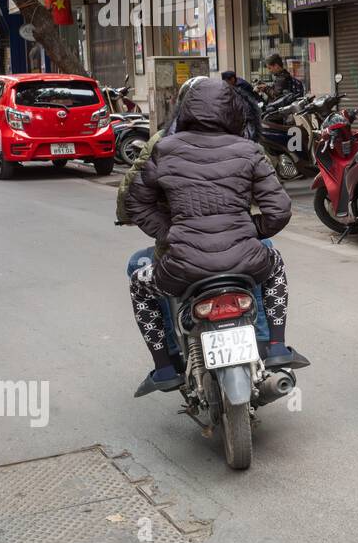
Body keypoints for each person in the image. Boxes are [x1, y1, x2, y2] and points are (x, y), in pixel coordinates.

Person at [123, 77, 300, 396]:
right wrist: (250, 232)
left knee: (139, 281)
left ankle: (164, 366)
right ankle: (275, 346)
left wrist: (170, 232)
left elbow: (135, 201)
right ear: (233, 112)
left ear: (185, 110)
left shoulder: (164, 148)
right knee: (274, 264)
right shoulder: (248, 150)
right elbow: (279, 209)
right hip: (245, 263)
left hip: (180, 268)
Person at [221, 69, 262, 141]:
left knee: (251, 133)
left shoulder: (240, 86)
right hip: (249, 110)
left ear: (232, 79)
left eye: (226, 81)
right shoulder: (235, 83)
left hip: (253, 108)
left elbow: (246, 103)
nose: (225, 84)